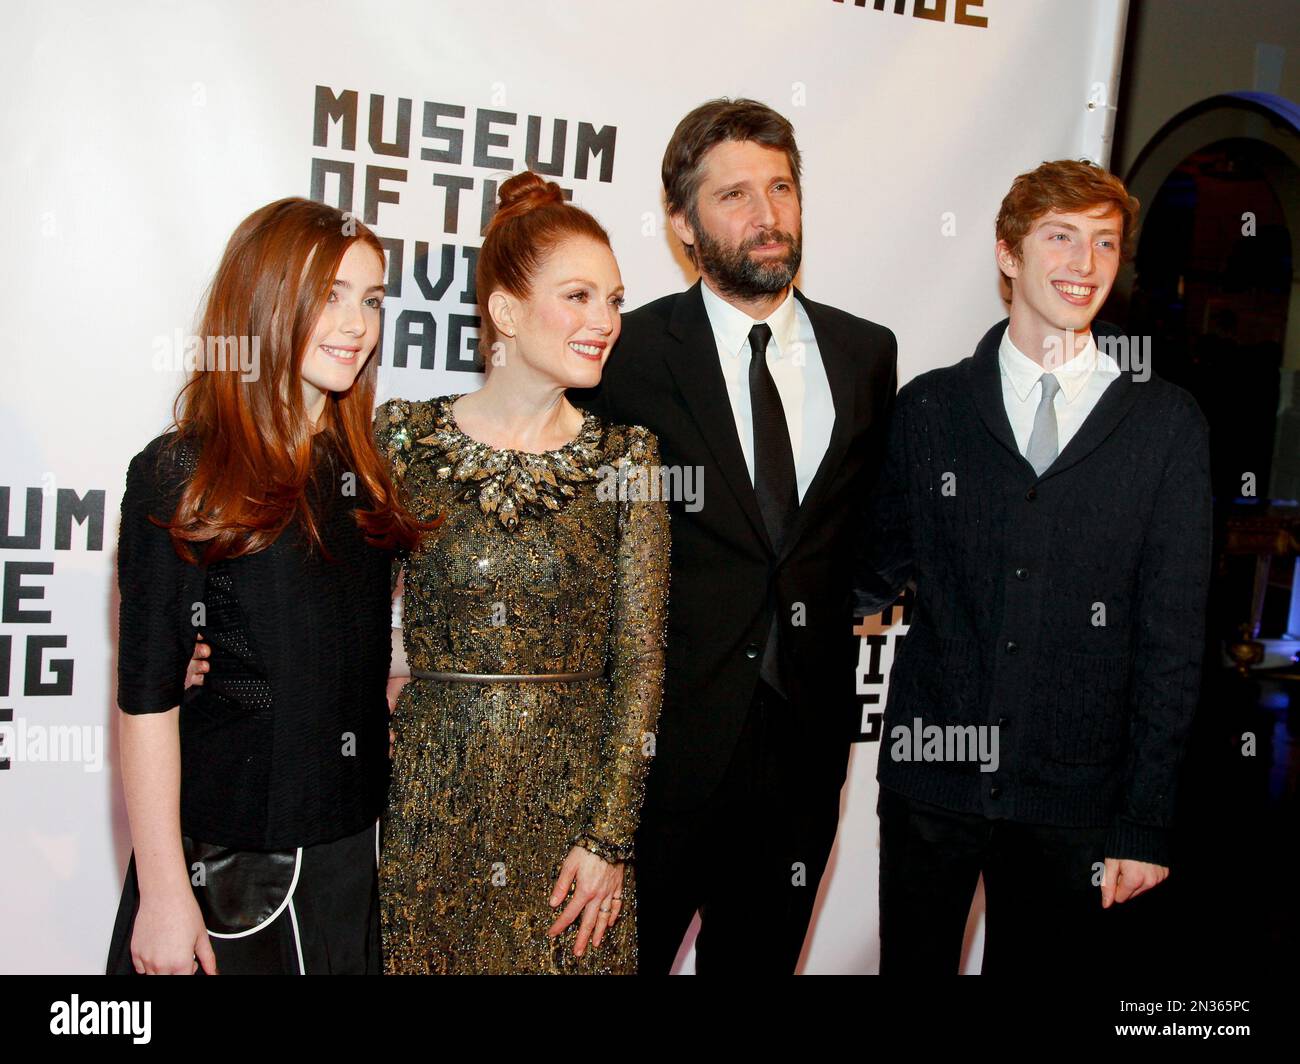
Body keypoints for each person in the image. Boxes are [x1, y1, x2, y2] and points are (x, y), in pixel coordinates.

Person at [854, 159, 1213, 973]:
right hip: (930, 785)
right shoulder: (930, 411)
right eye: (1060, 238)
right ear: (1008, 254)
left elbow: (1173, 643)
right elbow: (866, 573)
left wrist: (1145, 822)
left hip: (1076, 806)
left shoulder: (1164, 426)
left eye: (1105, 244)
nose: (1083, 266)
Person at [571, 98, 898, 974]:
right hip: (656, 755)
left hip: (802, 754)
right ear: (682, 224)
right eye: (734, 196)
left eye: (782, 188)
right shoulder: (625, 356)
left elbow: (862, 531)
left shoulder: (866, 354)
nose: (767, 216)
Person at [107, 198, 422, 975]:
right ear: (265, 301)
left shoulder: (366, 473)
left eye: (371, 300)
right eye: (329, 296)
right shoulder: (182, 471)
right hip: (235, 869)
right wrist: (165, 892)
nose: (356, 324)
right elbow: (146, 702)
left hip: (356, 852)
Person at [374, 171, 670, 974]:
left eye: (613, 299)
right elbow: (343, 611)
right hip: (431, 813)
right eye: (578, 297)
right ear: (506, 312)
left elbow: (640, 662)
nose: (605, 321)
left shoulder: (627, 460)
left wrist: (609, 838)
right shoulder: (404, 441)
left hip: (575, 828)